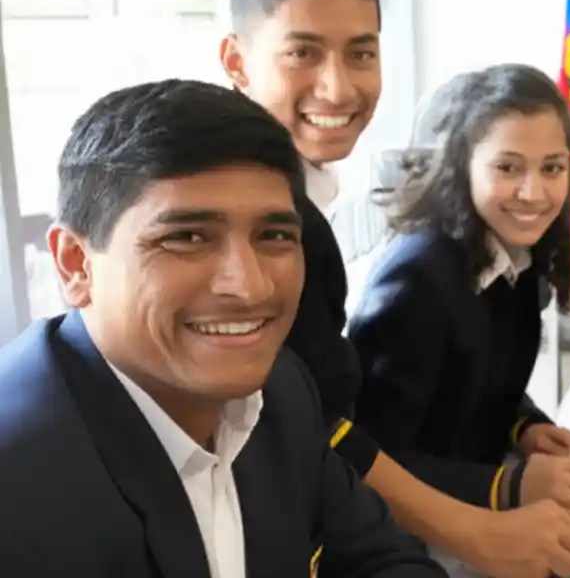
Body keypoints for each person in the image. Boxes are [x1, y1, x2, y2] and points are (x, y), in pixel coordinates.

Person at [219, 0, 570, 578]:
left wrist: (523, 428)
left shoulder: (309, 211)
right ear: (237, 61)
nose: (337, 87)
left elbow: (321, 416)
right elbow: (341, 431)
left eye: (361, 53)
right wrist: (494, 505)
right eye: (302, 52)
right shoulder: (379, 258)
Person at [0, 80, 442, 576]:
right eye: (187, 237)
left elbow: (379, 558)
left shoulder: (281, 391)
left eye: (273, 235)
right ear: (76, 264)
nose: (249, 287)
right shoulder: (17, 488)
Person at [349, 64, 570, 529]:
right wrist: (509, 486)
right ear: (462, 165)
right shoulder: (417, 282)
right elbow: (371, 459)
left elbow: (475, 383)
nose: (533, 193)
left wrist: (526, 427)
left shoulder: (518, 252)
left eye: (552, 168)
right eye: (508, 168)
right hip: (405, 536)